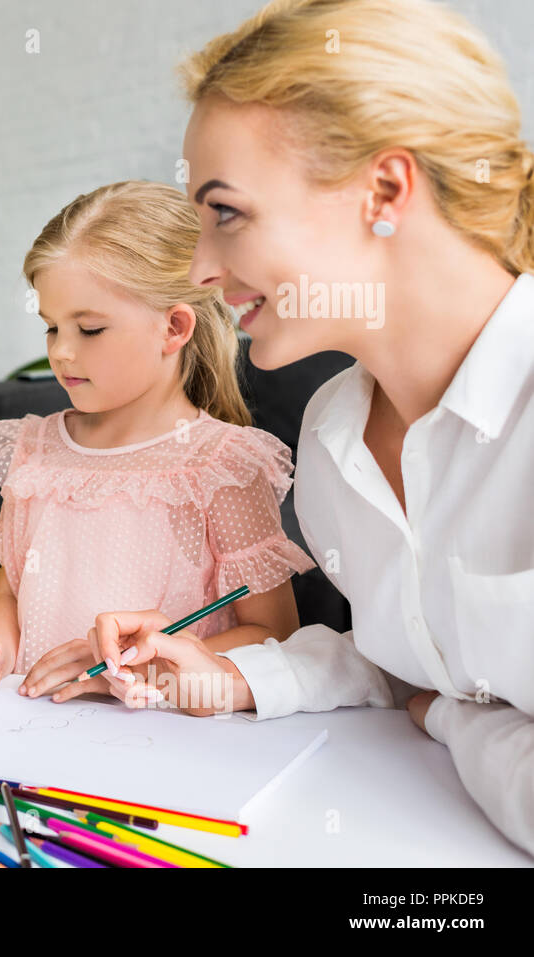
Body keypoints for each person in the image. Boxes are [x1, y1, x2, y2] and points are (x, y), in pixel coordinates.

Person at [89, 0, 534, 854]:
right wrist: (226, 673)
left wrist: (456, 722)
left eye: (226, 212)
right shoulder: (333, 436)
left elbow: (447, 698)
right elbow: (422, 658)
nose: (200, 271)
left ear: (385, 191)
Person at [0, 181, 314, 705]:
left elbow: (274, 638)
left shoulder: (222, 465)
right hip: (32, 725)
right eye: (51, 329)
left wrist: (150, 667)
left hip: (164, 737)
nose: (62, 353)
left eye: (89, 330)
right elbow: (10, 592)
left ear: (174, 327)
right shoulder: (34, 450)